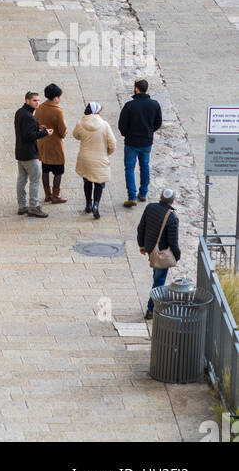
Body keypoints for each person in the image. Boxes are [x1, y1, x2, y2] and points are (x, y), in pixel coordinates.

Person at [137, 187, 181, 319]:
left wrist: (142, 245)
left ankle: (153, 306)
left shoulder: (150, 207)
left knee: (156, 277)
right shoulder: (172, 217)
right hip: (161, 254)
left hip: (151, 249)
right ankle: (151, 309)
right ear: (172, 202)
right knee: (159, 281)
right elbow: (173, 241)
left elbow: (141, 228)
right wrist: (177, 256)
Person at [118, 78, 162, 207]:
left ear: (136, 89)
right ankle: (143, 192)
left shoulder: (130, 105)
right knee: (145, 166)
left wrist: (126, 134)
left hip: (131, 142)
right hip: (146, 142)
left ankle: (132, 196)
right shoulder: (154, 104)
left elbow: (122, 124)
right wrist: (149, 131)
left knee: (129, 168)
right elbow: (158, 123)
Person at [72, 102, 116, 220]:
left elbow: (75, 135)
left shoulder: (81, 123)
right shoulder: (105, 125)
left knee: (87, 181)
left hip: (85, 158)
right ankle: (96, 204)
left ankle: (88, 204)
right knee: (99, 183)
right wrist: (107, 153)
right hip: (100, 158)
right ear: (96, 112)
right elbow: (113, 144)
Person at [14, 90, 53, 218]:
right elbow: (29, 136)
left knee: (22, 179)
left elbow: (25, 130)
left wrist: (37, 128)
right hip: (29, 154)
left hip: (20, 152)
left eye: (38, 100)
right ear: (27, 101)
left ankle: (22, 205)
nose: (37, 103)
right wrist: (45, 133)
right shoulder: (28, 116)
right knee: (35, 180)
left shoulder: (20, 112)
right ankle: (34, 207)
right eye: (34, 100)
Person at [35, 83, 67, 204]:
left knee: (45, 169)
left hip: (42, 143)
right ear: (55, 97)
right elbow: (62, 130)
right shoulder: (58, 111)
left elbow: (36, 124)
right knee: (59, 170)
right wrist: (63, 134)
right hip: (55, 145)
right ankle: (55, 195)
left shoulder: (40, 108)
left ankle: (47, 194)